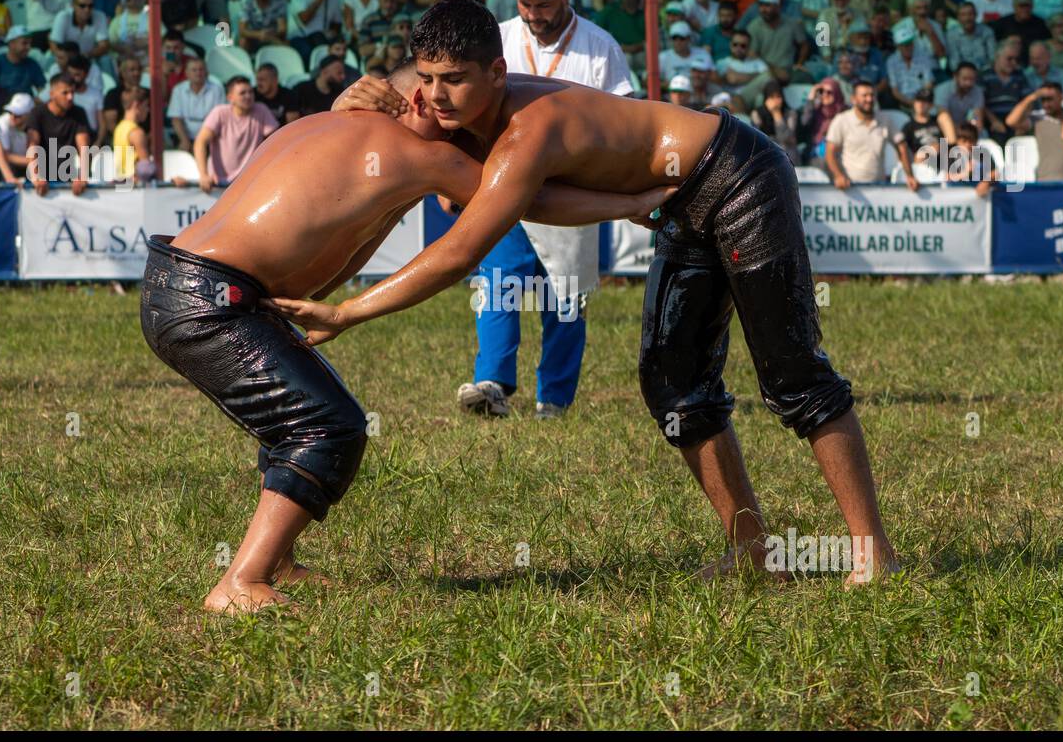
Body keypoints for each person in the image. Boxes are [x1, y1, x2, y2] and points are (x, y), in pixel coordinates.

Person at [307, 0, 900, 583]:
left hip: (738, 171)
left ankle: (874, 553)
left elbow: (460, 252)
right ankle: (755, 552)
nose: (436, 97)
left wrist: (347, 310)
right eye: (429, 80)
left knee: (791, 373)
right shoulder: (440, 92)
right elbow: (405, 104)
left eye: (455, 81)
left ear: (497, 72)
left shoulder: (525, 132)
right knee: (674, 384)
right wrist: (350, 102)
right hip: (678, 199)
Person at [140, 58, 670, 612]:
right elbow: (524, 196)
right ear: (415, 101)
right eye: (452, 121)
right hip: (211, 299)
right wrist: (631, 203)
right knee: (329, 426)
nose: (467, 136)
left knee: (298, 414)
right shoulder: (423, 153)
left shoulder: (329, 123)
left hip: (180, 279)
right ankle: (239, 583)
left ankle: (278, 562)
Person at [455, 0, 633, 420]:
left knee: (566, 298)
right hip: (504, 181)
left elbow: (625, 115)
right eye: (525, 4)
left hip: (573, 185)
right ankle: (491, 383)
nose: (533, 13)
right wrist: (456, 172)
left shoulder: (600, 46)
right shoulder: (499, 38)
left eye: (542, 4)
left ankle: (553, 400)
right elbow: (468, 108)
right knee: (497, 285)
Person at [825, 81, 918, 191]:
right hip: (850, 189)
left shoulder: (885, 119)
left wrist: (909, 175)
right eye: (864, 96)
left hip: (879, 187)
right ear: (853, 99)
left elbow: (902, 147)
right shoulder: (842, 120)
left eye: (872, 95)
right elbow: (830, 153)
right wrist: (838, 175)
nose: (869, 99)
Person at [193, 76, 279, 192]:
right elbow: (200, 142)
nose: (248, 96)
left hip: (249, 185)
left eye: (250, 92)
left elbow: (276, 142)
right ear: (230, 97)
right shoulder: (220, 113)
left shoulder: (261, 110)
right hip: (218, 185)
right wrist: (203, 175)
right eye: (242, 93)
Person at [26, 72, 92, 196]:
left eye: (72, 92)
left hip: (67, 180)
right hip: (40, 183)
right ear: (52, 94)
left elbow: (84, 147)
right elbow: (32, 145)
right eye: (65, 93)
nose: (70, 97)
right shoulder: (37, 113)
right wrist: (36, 177)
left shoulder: (79, 113)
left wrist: (82, 176)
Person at [1006, 81, 1063, 183]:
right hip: (1046, 180)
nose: (1046, 104)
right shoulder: (1038, 118)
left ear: (1061, 97)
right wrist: (1032, 97)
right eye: (1043, 99)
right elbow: (1011, 121)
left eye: (1050, 99)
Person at [167, 57, 224, 153]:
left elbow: (221, 118)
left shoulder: (217, 89)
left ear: (207, 72)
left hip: (210, 138)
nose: (198, 73)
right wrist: (184, 140)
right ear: (186, 73)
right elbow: (176, 119)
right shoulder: (178, 90)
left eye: (201, 69)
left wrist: (203, 141)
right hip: (185, 137)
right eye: (194, 70)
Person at [113, 87, 150, 181]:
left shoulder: (119, 128)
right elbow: (146, 169)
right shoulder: (137, 133)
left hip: (122, 182)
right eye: (146, 105)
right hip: (135, 186)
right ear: (137, 105)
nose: (148, 110)